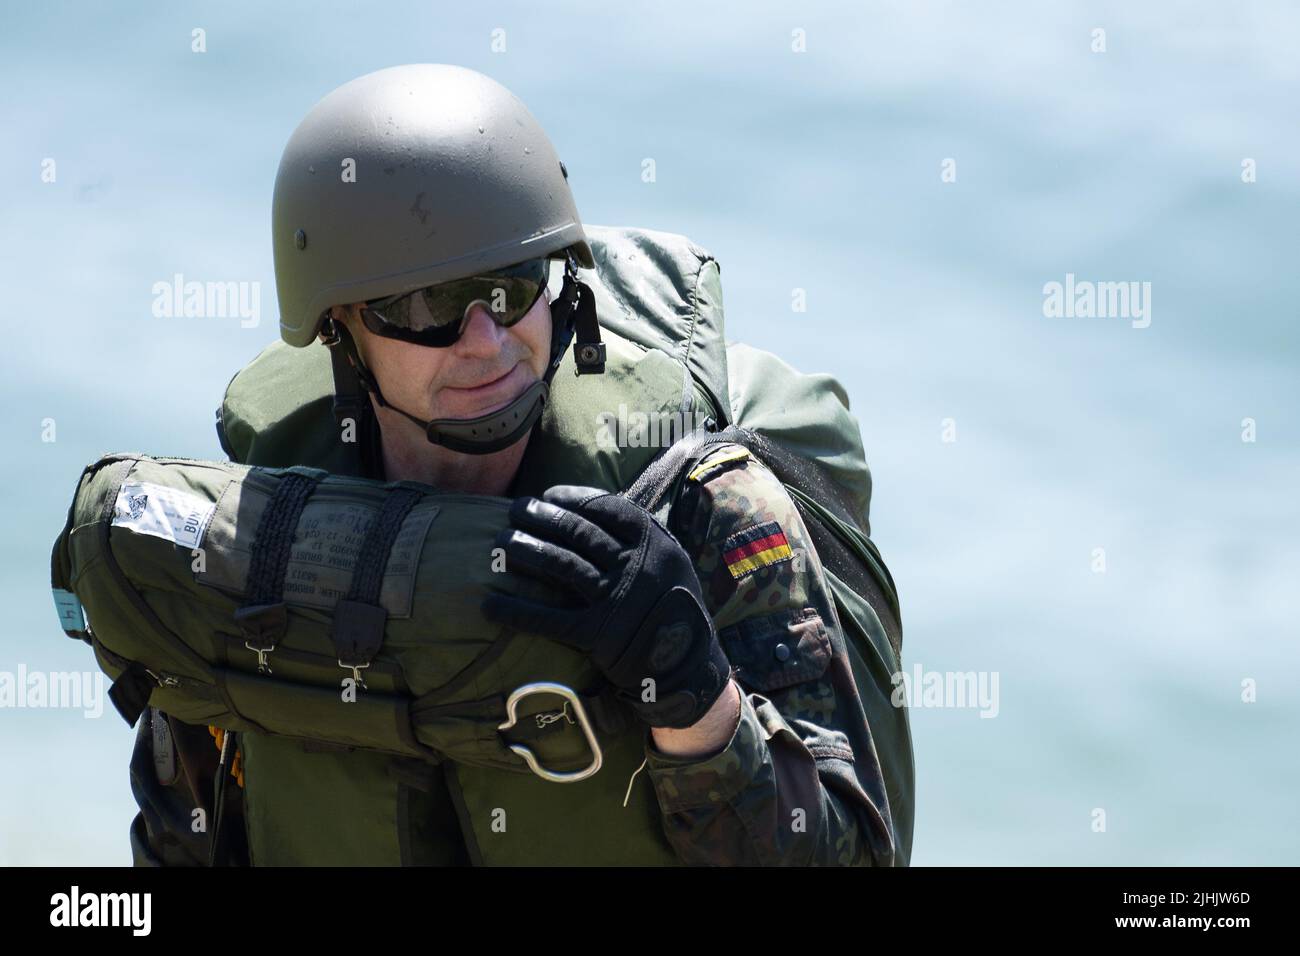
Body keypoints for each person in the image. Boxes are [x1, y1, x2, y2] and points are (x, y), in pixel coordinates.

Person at [129, 63, 908, 866]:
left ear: (559, 289)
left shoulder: (706, 513)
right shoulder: (260, 535)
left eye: (509, 289)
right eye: (428, 308)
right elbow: (179, 832)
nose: (485, 343)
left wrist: (694, 696)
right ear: (343, 334)